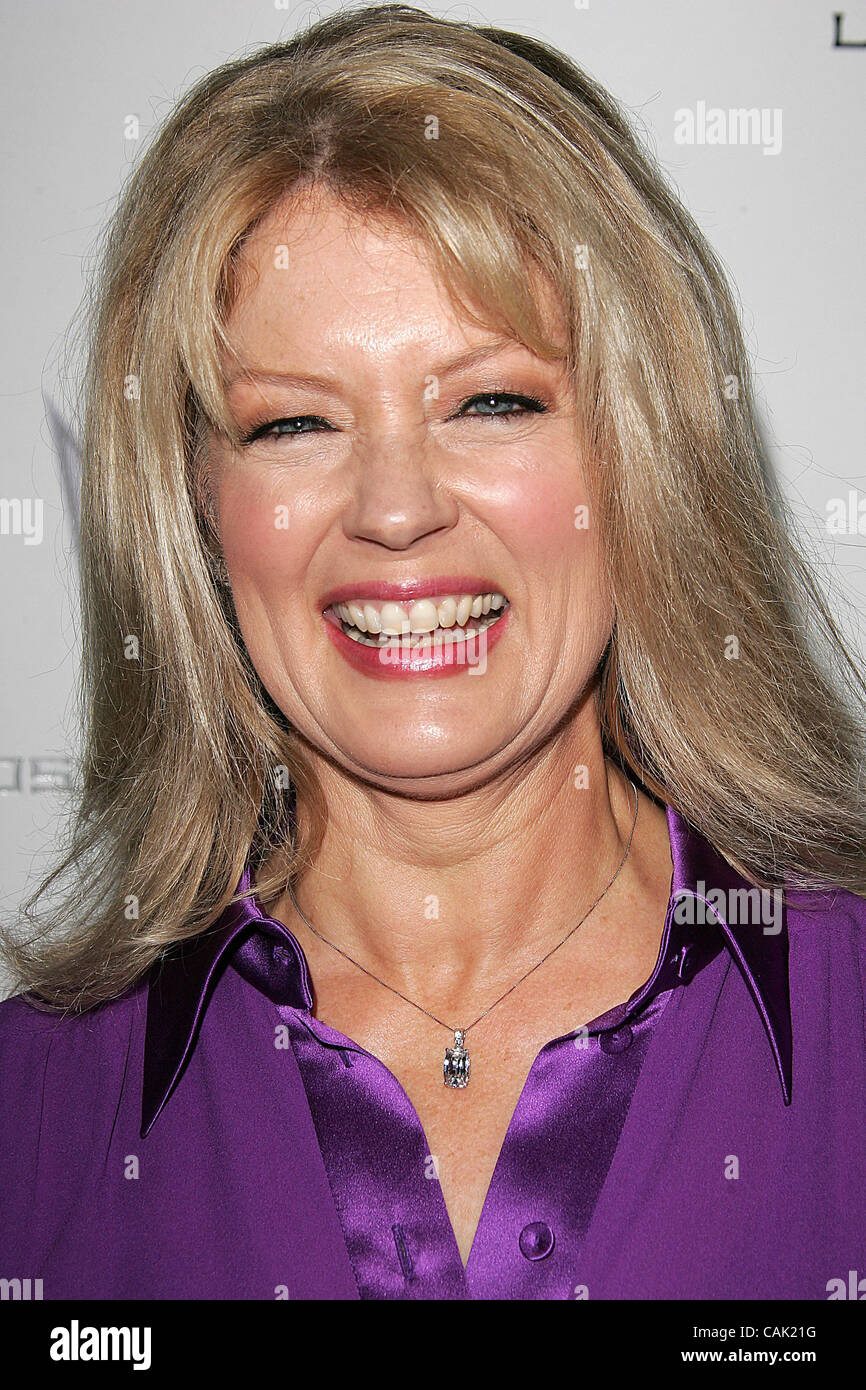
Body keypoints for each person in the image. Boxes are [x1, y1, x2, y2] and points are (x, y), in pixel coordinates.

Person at [1, 3, 864, 1300]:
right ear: (195, 499)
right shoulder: (32, 1116)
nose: (395, 508)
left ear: (640, 456)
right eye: (293, 422)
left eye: (491, 401)